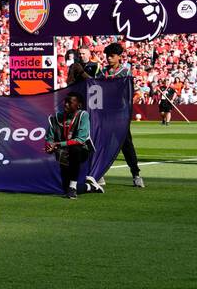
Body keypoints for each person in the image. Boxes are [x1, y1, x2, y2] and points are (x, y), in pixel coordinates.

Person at [97, 42, 144, 188]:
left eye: (111, 56)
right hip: (105, 115)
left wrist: (131, 101)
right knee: (101, 144)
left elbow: (133, 93)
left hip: (120, 116)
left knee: (127, 146)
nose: (108, 59)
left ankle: (136, 174)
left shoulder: (125, 73)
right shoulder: (102, 72)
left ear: (119, 57)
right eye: (107, 56)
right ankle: (99, 174)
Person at [46, 91, 98, 199]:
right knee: (65, 189)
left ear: (78, 105)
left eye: (69, 102)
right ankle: (89, 187)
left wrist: (58, 144)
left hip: (82, 150)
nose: (66, 104)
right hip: (63, 151)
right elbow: (49, 137)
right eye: (65, 102)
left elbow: (80, 139)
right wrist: (49, 145)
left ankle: (73, 186)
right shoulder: (56, 117)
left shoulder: (83, 115)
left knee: (75, 149)